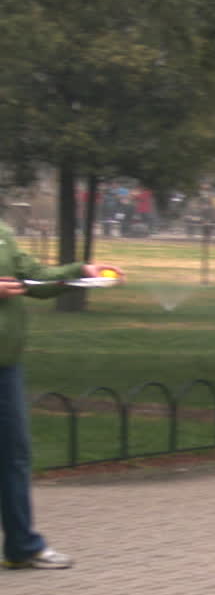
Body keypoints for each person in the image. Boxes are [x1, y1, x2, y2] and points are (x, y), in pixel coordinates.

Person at [1, 220, 122, 570]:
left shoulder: (3, 233)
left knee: (14, 457)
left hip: (5, 366)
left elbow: (34, 278)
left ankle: (22, 547)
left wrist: (79, 271)